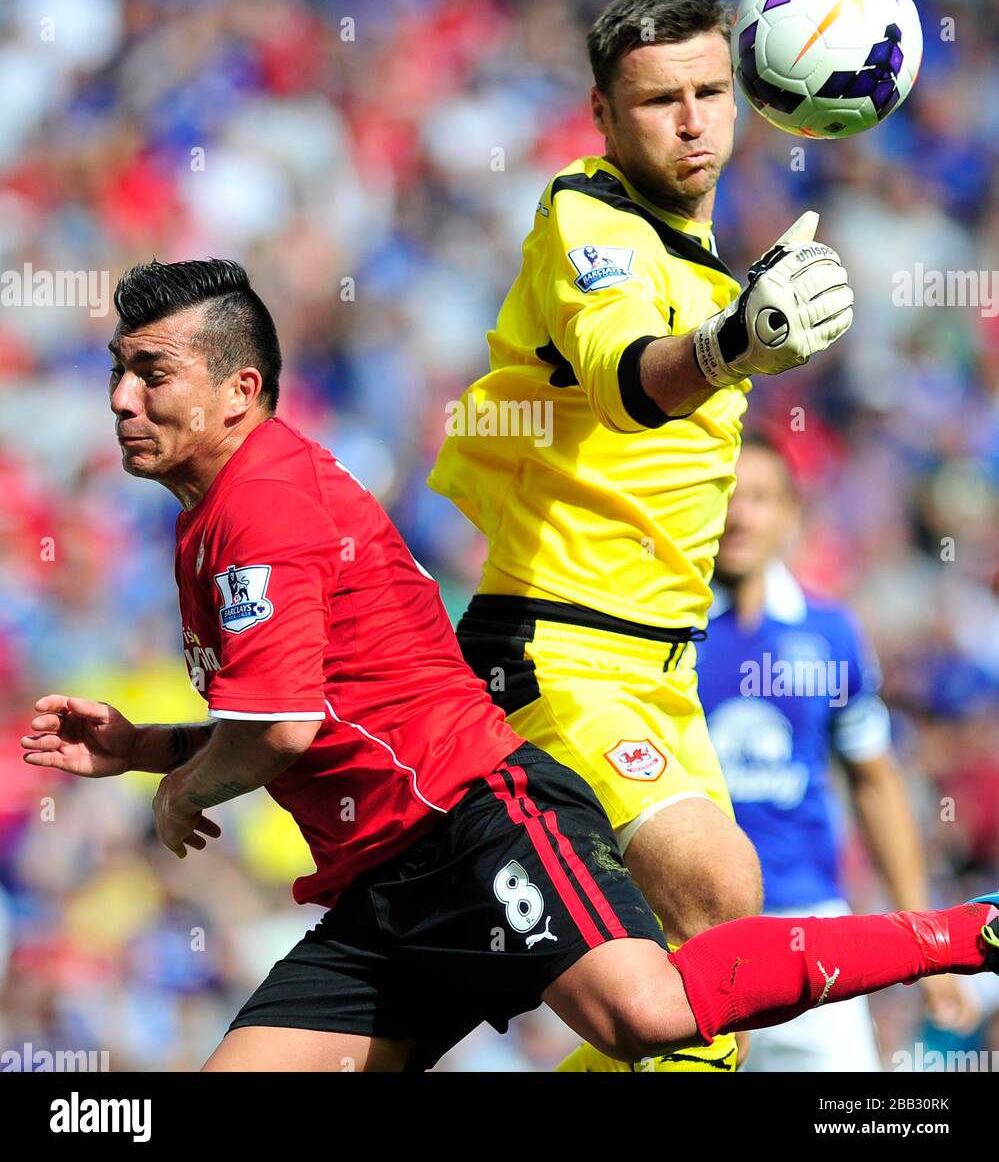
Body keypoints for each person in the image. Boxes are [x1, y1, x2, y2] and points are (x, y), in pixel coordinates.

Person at [21, 258, 999, 1073]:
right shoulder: (211, 515)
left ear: (239, 390)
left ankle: (969, 930)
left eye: (151, 372)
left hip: (475, 819)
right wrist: (149, 744)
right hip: (386, 878)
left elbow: (282, 730)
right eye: (118, 369)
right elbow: (314, 714)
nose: (120, 398)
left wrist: (183, 782)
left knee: (644, 1011)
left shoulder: (262, 504)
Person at [428, 0, 854, 1071]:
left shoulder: (704, 253)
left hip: (660, 664)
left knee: (719, 987)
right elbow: (628, 379)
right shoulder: (590, 217)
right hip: (556, 649)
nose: (694, 119)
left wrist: (732, 321)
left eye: (712, 91)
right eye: (660, 99)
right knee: (720, 907)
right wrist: (729, 345)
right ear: (604, 115)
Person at [698, 435, 979, 1071]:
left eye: (760, 499)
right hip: (689, 934)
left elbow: (875, 783)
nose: (739, 515)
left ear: (791, 515)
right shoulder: (659, 635)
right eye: (723, 496)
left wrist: (928, 944)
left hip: (809, 931)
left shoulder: (830, 636)